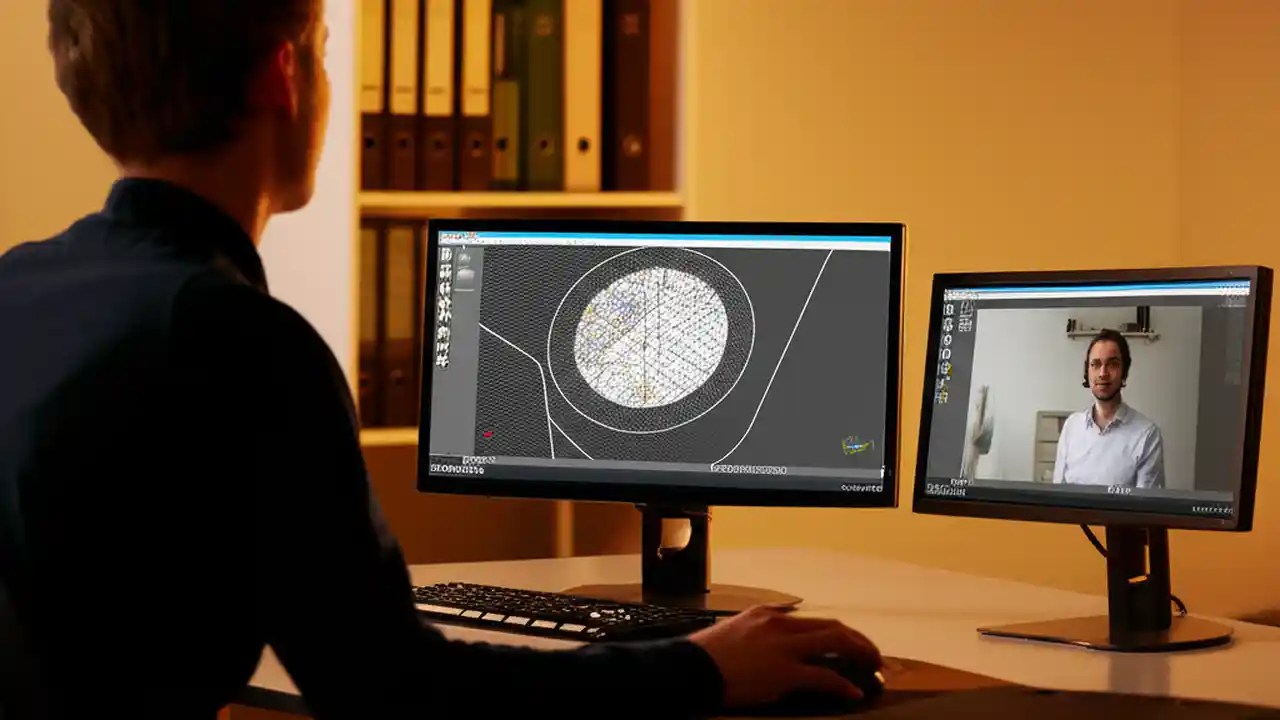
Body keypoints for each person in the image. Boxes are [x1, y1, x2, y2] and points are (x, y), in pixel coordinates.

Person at [0, 2, 881, 718]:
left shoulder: (20, 287)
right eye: (326, 51)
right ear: (284, 74)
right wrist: (706, 669)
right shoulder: (237, 338)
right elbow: (395, 691)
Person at [1053, 329, 1165, 489]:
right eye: (1095, 364)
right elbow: (1057, 494)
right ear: (1087, 372)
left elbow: (1146, 508)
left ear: (1124, 372)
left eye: (1112, 364)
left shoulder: (1147, 434)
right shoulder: (1071, 426)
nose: (1103, 373)